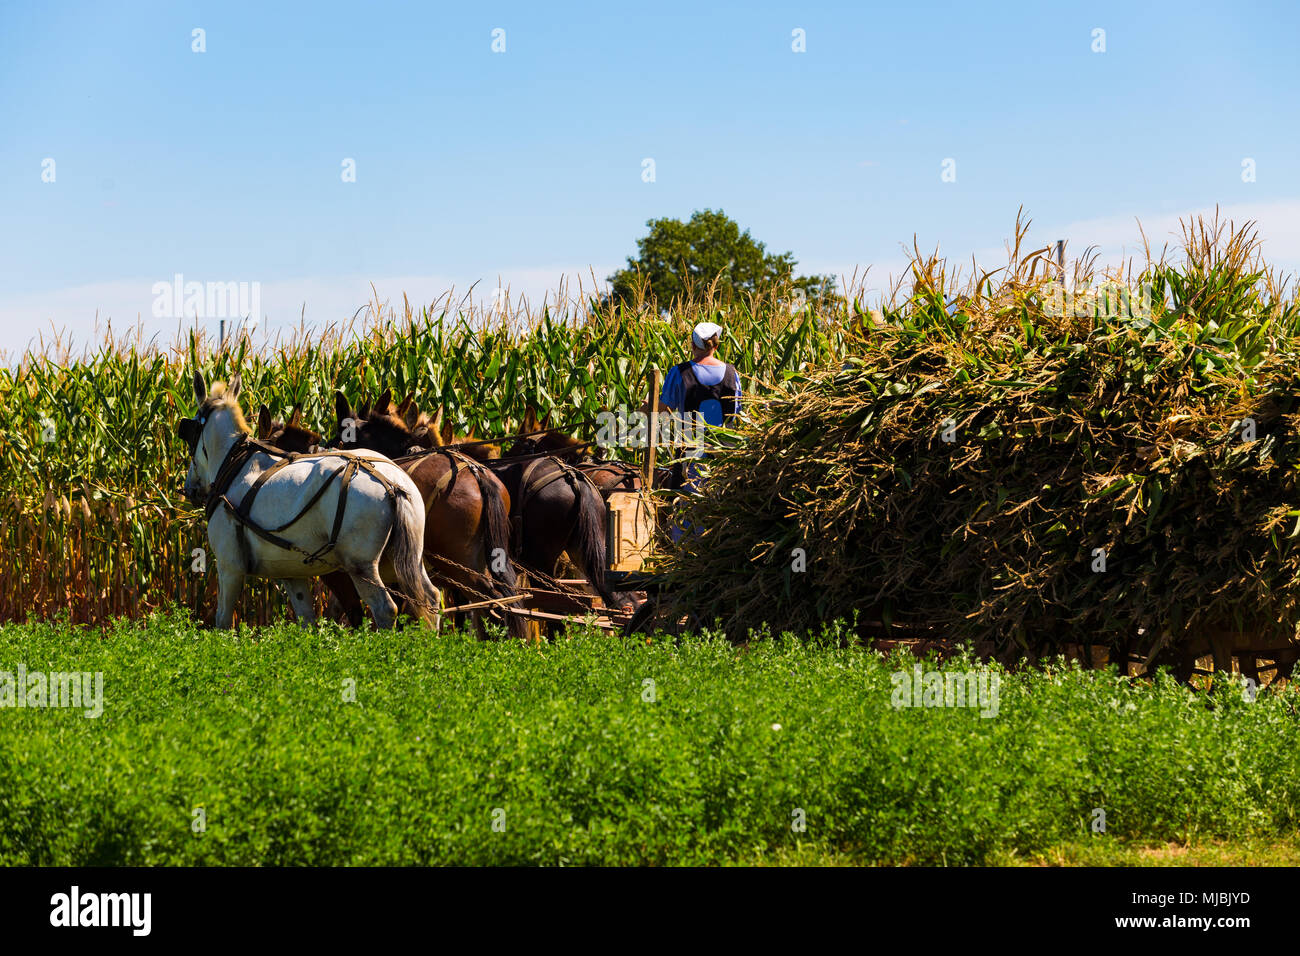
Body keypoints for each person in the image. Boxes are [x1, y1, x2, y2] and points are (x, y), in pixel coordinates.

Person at [643, 321, 742, 540]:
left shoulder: (680, 373)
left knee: (685, 513)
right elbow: (736, 415)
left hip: (689, 458)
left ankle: (685, 560)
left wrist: (647, 405)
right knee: (719, 514)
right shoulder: (732, 374)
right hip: (724, 461)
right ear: (715, 345)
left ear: (692, 345)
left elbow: (663, 410)